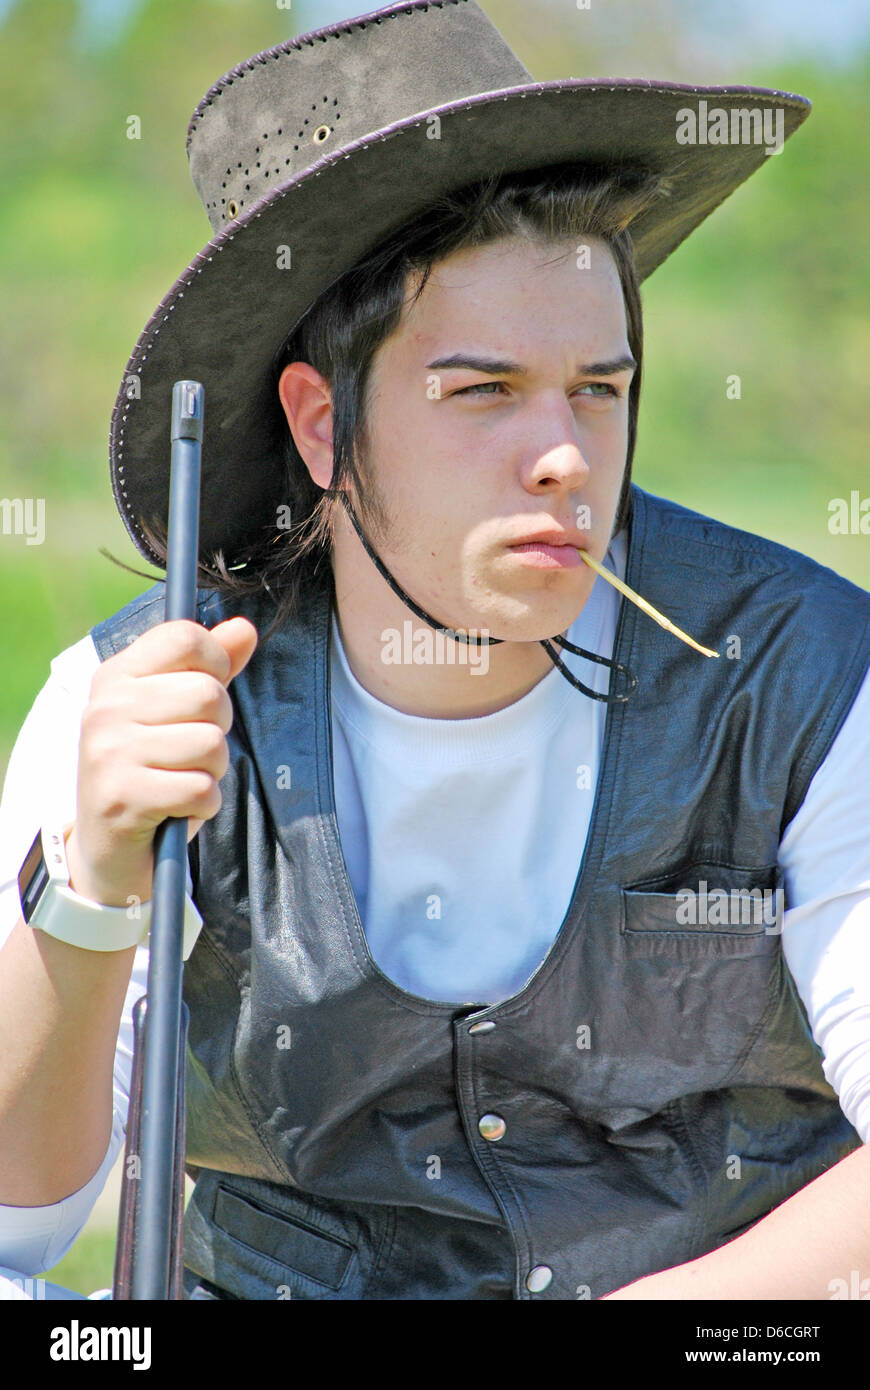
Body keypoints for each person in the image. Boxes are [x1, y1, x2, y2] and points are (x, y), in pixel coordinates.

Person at [1, 0, 869, 1302]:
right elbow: (21, 1225)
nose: (565, 454)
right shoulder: (129, 702)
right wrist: (90, 887)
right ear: (318, 423)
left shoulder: (803, 670)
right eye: (483, 392)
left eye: (598, 386)